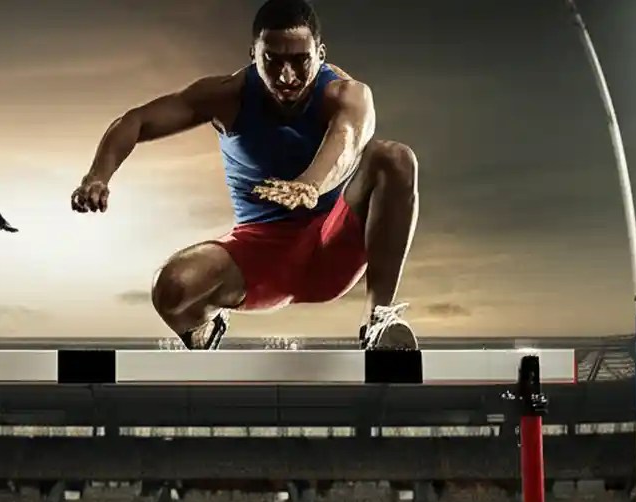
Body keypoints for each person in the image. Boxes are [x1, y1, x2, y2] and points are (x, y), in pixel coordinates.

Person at [70, 0, 419, 350]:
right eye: (273, 61)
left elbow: (349, 139)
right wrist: (98, 175)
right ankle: (205, 325)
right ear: (254, 54)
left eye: (300, 61)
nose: (287, 76)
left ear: (320, 54)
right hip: (259, 254)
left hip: (332, 243)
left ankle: (378, 319)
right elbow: (137, 120)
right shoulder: (228, 96)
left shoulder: (347, 94)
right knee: (171, 287)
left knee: (394, 158)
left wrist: (310, 184)